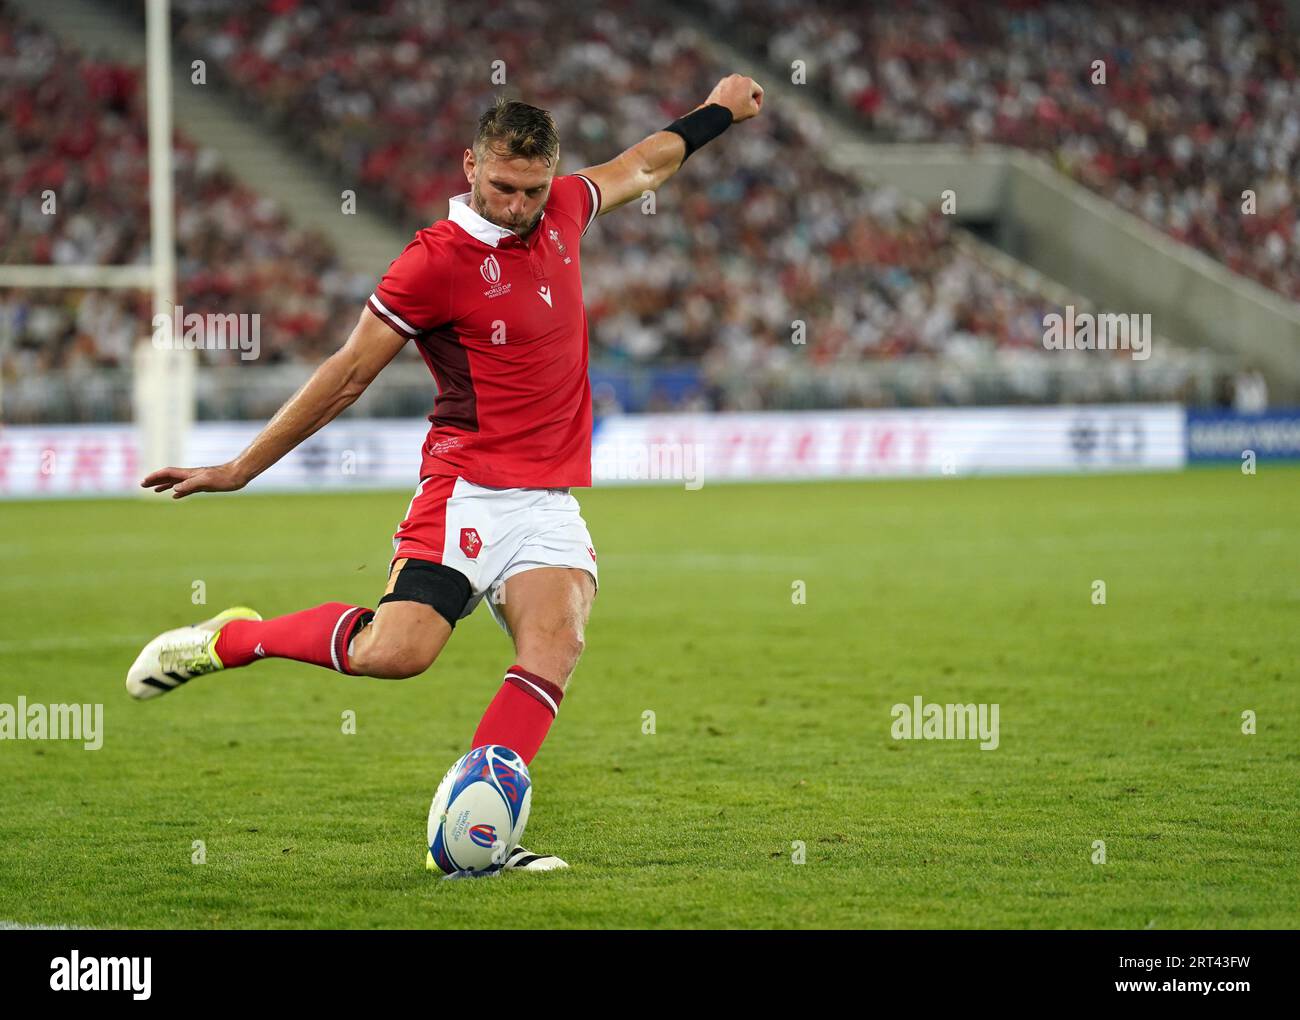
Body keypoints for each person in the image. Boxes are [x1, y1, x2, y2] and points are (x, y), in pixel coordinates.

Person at [127, 76, 765, 873]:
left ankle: (477, 837)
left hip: (547, 503)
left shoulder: (565, 207)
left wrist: (719, 112)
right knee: (395, 654)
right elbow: (348, 372)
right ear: (469, 166)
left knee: (556, 644)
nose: (517, 204)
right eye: (502, 186)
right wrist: (239, 468)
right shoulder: (432, 262)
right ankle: (234, 638)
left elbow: (646, 164)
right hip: (465, 489)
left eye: (533, 189)